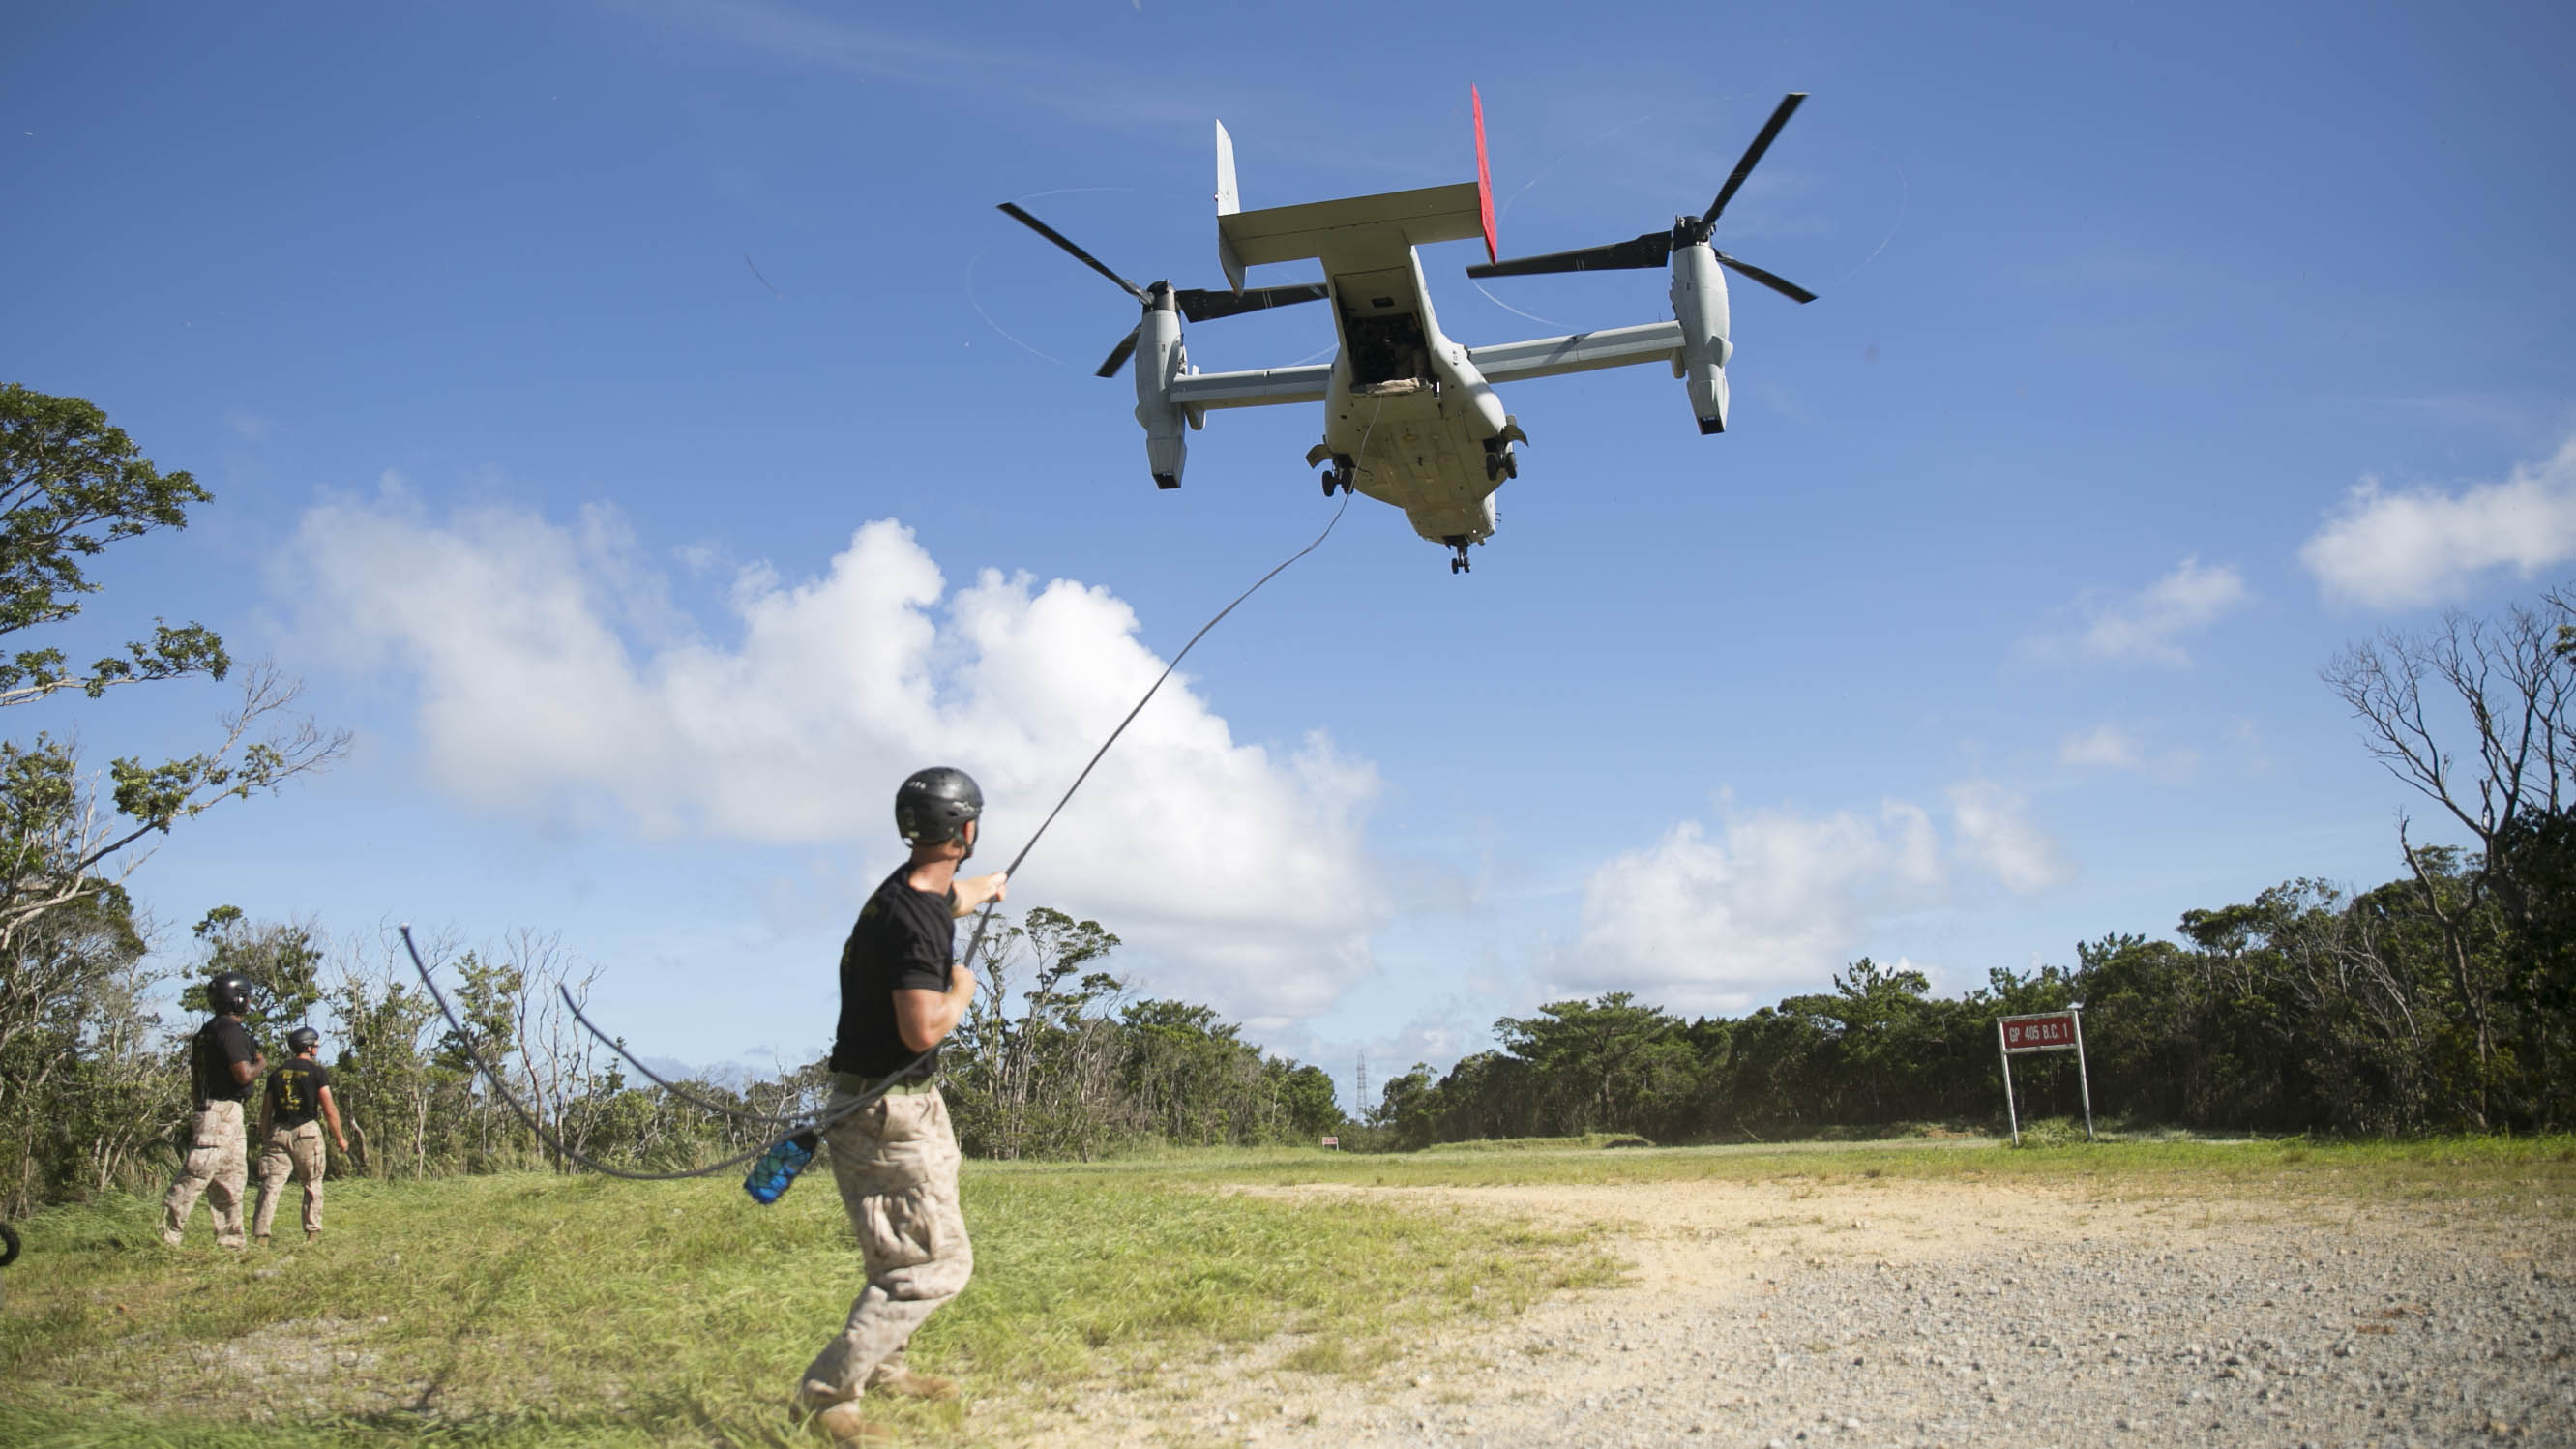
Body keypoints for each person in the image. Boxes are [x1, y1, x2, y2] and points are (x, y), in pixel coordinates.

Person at [792, 766, 1007, 1445]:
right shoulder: (917, 924)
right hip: (889, 1114)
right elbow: (922, 1028)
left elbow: (944, 897)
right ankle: (826, 1396)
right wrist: (963, 990)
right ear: (965, 830)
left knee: (901, 1248)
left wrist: (987, 887)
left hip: (881, 1104)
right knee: (934, 1265)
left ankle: (886, 1369)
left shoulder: (900, 893)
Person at [161, 972, 265, 1249]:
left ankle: (231, 1242)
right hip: (222, 1110)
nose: (249, 1002)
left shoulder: (206, 1032)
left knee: (230, 1179)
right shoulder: (231, 1031)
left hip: (213, 1108)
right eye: (246, 997)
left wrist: (200, 1111)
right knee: (196, 1173)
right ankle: (166, 1236)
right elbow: (243, 1074)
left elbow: (196, 1079)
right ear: (237, 999)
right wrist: (260, 1064)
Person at [253, 1026, 347, 1246]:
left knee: (270, 1185)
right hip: (306, 1132)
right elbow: (329, 1109)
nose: (317, 1048)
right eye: (315, 1044)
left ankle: (261, 1237)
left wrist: (265, 1137)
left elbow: (266, 1111)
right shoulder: (317, 1072)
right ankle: (312, 1236)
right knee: (312, 1182)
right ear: (308, 1047)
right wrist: (340, 1138)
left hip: (278, 1132)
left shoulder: (276, 1073)